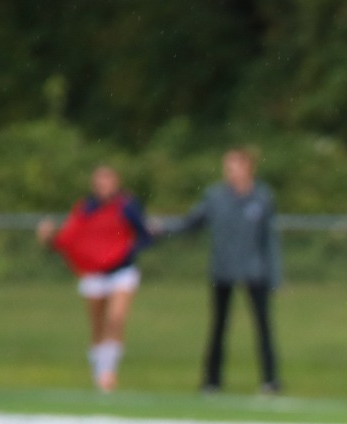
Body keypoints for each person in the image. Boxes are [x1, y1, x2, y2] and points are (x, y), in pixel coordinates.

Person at [165, 148, 282, 394]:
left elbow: (269, 240)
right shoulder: (214, 196)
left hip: (255, 270)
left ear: (248, 168)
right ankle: (212, 381)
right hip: (223, 269)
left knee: (263, 326)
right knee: (218, 326)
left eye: (235, 167)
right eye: (227, 167)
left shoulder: (261, 197)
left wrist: (274, 275)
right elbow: (191, 223)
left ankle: (270, 380)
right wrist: (160, 229)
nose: (230, 172)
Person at [37, 165, 151, 393]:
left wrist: (124, 252)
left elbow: (143, 235)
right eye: (99, 181)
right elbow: (69, 239)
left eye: (107, 181)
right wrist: (49, 239)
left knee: (116, 318)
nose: (103, 186)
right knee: (98, 325)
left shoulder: (126, 206)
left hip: (121, 271)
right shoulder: (85, 209)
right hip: (94, 273)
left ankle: (109, 373)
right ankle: (100, 371)